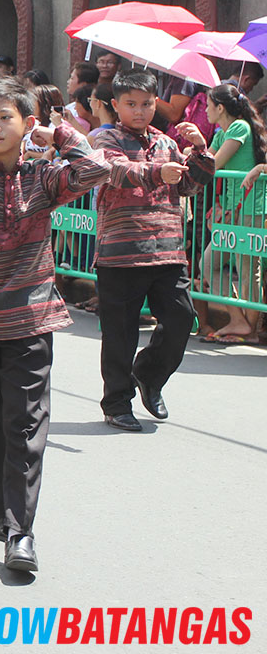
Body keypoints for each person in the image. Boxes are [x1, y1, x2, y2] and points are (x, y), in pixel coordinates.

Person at [0, 77, 111, 572]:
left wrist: (59, 134)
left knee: (25, 423)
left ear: (26, 123)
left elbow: (96, 168)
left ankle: (20, 531)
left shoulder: (45, 176)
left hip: (31, 315)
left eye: (5, 118)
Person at [93, 70, 214, 432]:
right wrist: (159, 172)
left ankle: (148, 373)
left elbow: (192, 186)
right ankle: (116, 403)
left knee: (180, 320)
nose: (140, 111)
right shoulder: (103, 138)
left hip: (167, 251)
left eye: (146, 104)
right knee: (120, 333)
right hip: (120, 252)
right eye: (131, 104)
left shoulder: (167, 142)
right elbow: (114, 171)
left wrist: (199, 151)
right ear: (116, 105)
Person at [194, 84, 267, 342]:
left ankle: (250, 330)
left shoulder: (238, 127)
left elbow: (213, 164)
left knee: (248, 269)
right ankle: (238, 321)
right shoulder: (220, 132)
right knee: (208, 264)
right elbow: (205, 158)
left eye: (208, 105)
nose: (206, 110)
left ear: (220, 107)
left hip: (251, 207)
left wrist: (193, 155)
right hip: (231, 207)